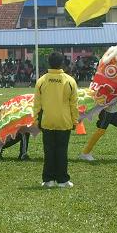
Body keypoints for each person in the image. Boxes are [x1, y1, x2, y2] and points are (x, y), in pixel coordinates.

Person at [33, 52, 78, 188]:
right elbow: (73, 104)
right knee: (62, 151)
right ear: (62, 63)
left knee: (49, 151)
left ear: (49, 63)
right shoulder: (70, 81)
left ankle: (48, 180)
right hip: (64, 122)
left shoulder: (41, 81)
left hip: (47, 121)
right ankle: (63, 180)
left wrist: (36, 120)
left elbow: (37, 104)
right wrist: (75, 121)